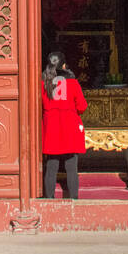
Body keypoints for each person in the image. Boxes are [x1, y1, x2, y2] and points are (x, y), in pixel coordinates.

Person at [41, 51, 87, 198]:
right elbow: (82, 106)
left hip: (51, 128)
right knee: (71, 168)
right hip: (70, 127)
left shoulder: (43, 83)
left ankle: (49, 200)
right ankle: (74, 200)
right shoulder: (73, 83)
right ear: (64, 65)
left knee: (51, 167)